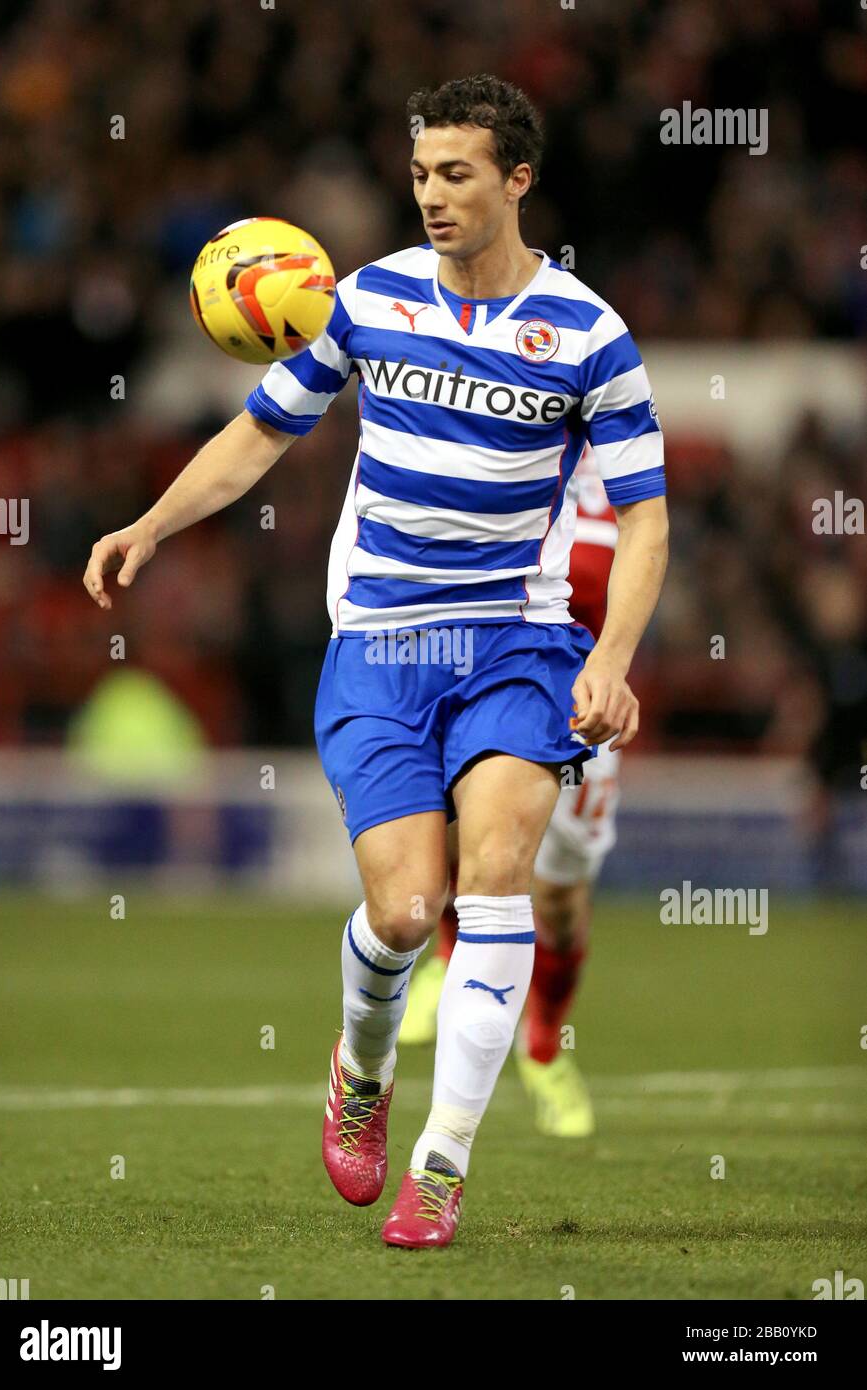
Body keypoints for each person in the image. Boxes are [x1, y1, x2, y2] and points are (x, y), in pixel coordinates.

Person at [84, 74, 669, 1249]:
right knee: (406, 914)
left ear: (517, 179)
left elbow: (647, 516)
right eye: (419, 175)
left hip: (516, 640)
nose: (433, 197)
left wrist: (609, 657)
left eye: (457, 174)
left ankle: (442, 1165)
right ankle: (360, 1069)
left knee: (497, 871)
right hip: (383, 646)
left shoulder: (591, 335)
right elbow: (259, 433)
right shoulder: (368, 302)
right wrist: (149, 524)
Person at [400, 448, 621, 1140]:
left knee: (556, 901)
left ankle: (545, 1046)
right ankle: (444, 954)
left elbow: (632, 571)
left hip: (578, 699)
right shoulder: (493, 431)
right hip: (486, 683)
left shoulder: (625, 462)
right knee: (459, 844)